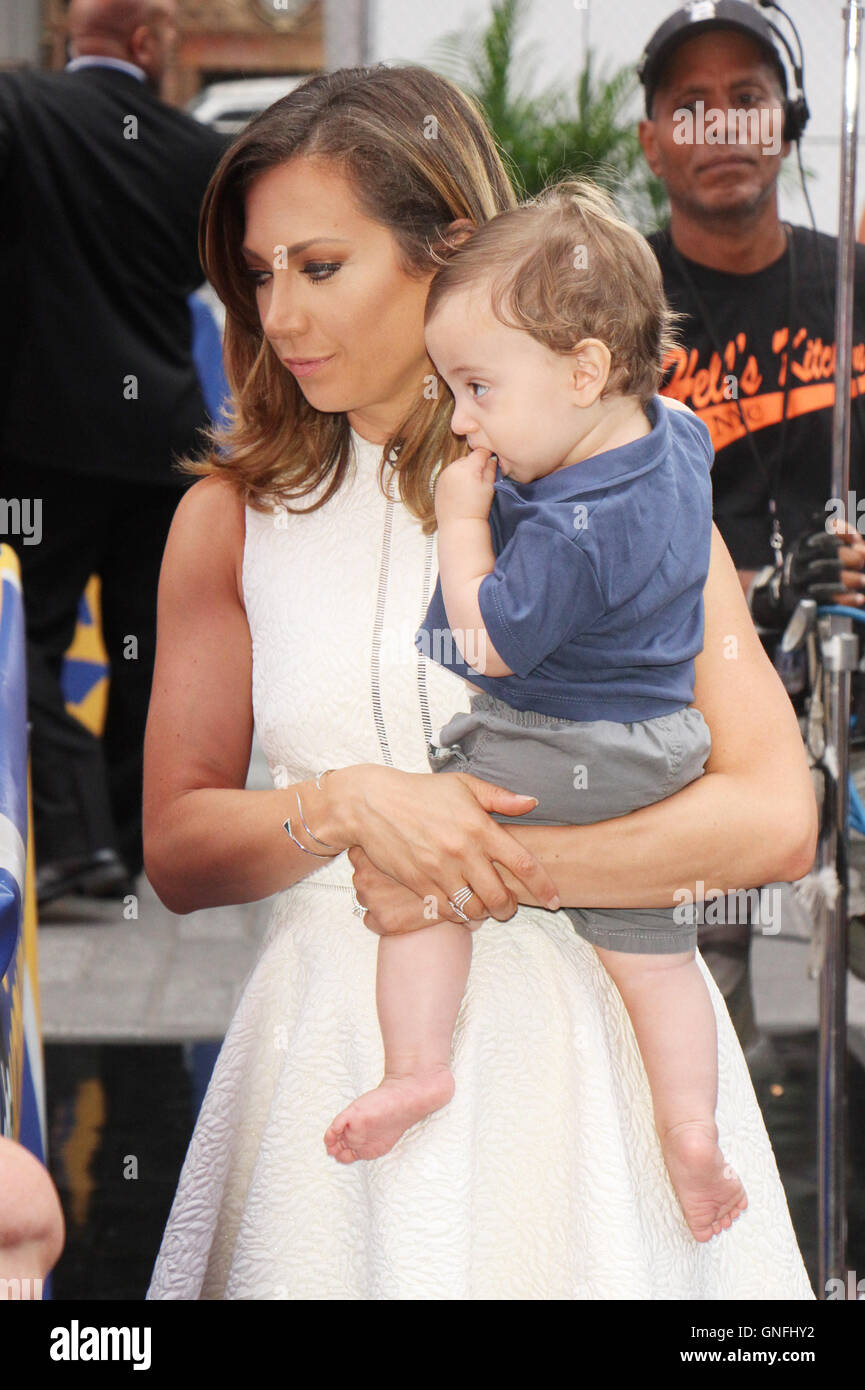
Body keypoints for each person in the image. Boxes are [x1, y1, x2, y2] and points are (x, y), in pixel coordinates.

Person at [144, 64, 816, 1300]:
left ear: (444, 250)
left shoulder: (627, 491)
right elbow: (180, 851)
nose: (279, 310)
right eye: (257, 271)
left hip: (602, 1085)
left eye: (321, 264)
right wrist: (346, 805)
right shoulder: (229, 519)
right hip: (335, 1080)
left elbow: (775, 816)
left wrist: (473, 870)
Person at [323, 179, 747, 1245]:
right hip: (663, 752)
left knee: (427, 873)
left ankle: (416, 1068)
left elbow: (488, 643)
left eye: (476, 389)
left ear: (586, 368)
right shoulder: (681, 435)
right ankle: (689, 1128)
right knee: (657, 954)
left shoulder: (568, 528)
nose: (462, 419)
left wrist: (462, 524)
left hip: (553, 750)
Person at [637, 0, 865, 1047]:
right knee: (693, 983)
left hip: (848, 687)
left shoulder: (854, 286)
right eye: (691, 106)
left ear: (790, 120)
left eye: (746, 100)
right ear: (651, 140)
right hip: (687, 700)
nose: (721, 128)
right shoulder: (609, 312)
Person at [0, 0, 227, 904]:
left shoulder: (20, 113)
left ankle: (71, 838)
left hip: (34, 440)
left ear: (69, 39)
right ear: (144, 43)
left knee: (29, 636)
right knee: (148, 649)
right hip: (160, 443)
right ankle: (138, 851)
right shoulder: (198, 156)